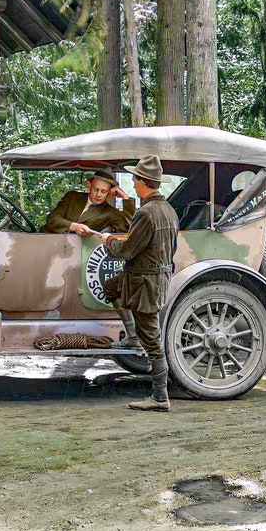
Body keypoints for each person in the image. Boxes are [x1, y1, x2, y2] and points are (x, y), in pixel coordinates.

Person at [97, 154, 179, 412]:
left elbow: (127, 251)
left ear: (144, 182)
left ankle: (159, 397)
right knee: (111, 287)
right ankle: (132, 337)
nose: (132, 183)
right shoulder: (168, 210)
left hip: (146, 282)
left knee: (152, 340)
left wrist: (108, 240)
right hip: (153, 277)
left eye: (135, 179)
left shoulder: (146, 213)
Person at [41, 168, 130, 235]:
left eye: (104, 191)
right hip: (48, 240)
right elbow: (52, 219)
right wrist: (74, 226)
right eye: (96, 189)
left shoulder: (111, 212)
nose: (99, 195)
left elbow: (130, 229)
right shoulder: (72, 197)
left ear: (109, 192)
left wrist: (125, 199)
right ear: (89, 185)